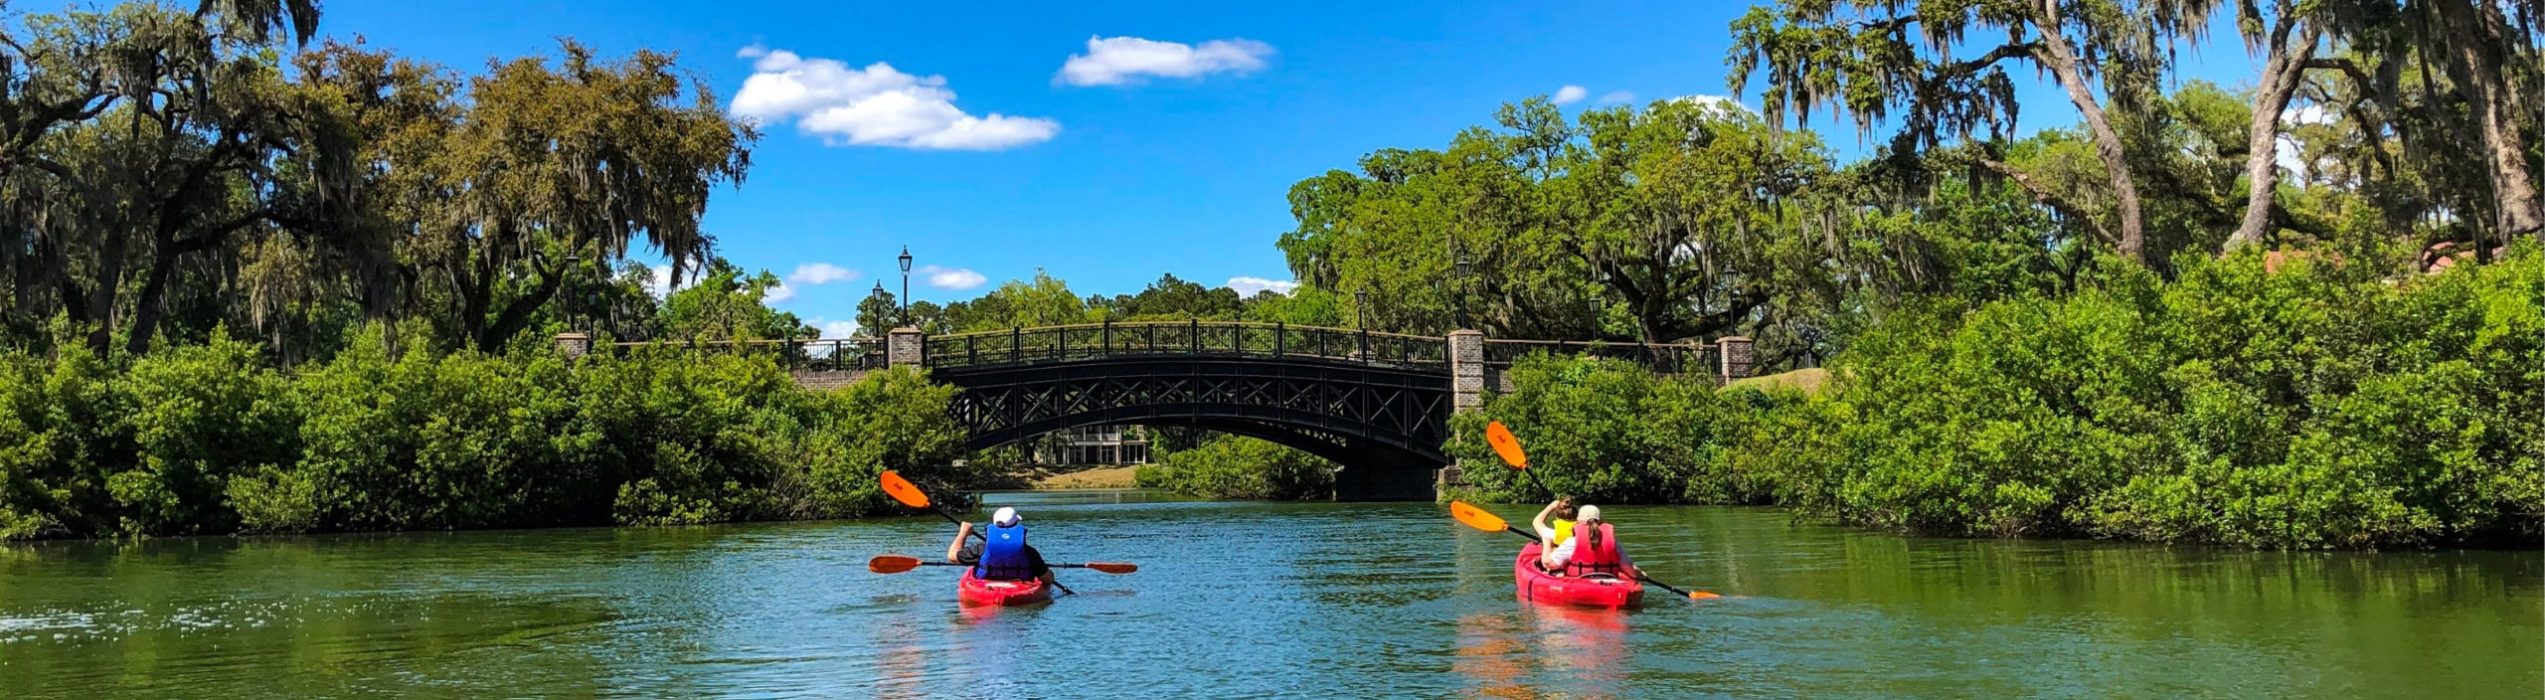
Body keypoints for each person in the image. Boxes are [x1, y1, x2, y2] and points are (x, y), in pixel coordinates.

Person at [946, 506, 1053, 583]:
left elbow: (952, 556)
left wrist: (963, 533)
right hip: (1018, 589)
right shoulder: (1029, 552)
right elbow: (1048, 579)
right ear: (1016, 525)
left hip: (987, 588)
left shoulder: (981, 550)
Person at [1540, 505, 1639, 580]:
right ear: (1601, 521)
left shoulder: (1572, 542)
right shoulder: (1614, 542)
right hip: (1610, 581)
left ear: (1578, 522)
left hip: (1580, 583)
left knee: (1557, 573)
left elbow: (1548, 563)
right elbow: (1631, 572)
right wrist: (1640, 574)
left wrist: (1546, 542)